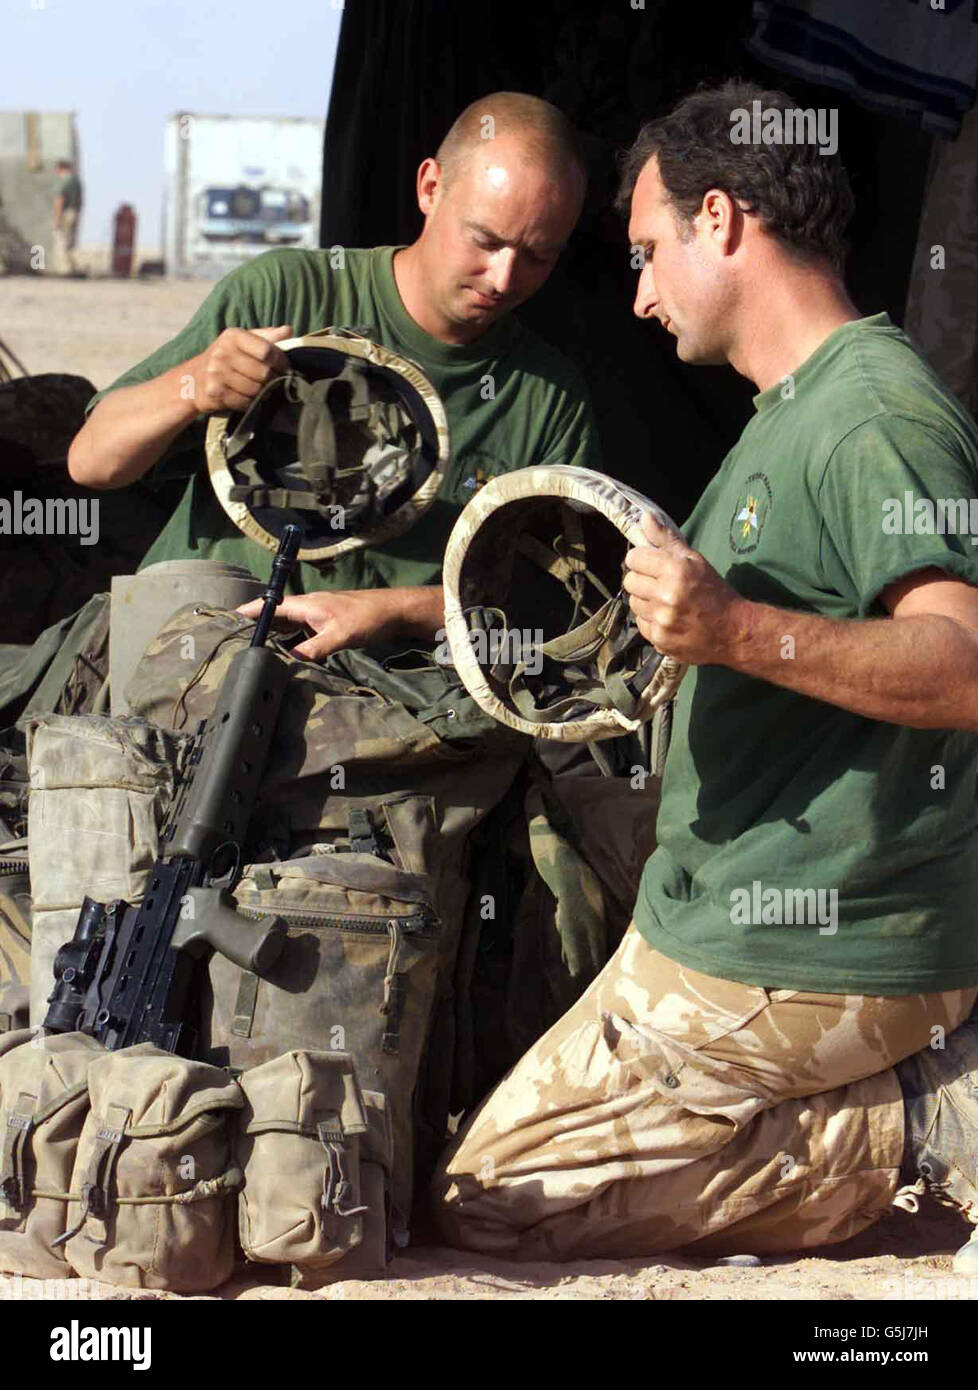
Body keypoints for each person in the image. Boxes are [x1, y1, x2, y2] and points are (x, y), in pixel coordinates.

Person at [431, 80, 978, 1261]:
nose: (634, 295)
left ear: (721, 219)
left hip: (812, 941)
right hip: (731, 894)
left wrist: (733, 632)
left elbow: (967, 664)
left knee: (495, 1195)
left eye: (646, 252)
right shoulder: (793, 406)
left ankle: (920, 1126)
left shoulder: (874, 417)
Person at [68, 93, 599, 661]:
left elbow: (550, 603)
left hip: (383, 712)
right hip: (185, 672)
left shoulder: (548, 399)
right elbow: (93, 462)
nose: (503, 276)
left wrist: (394, 610)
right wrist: (194, 385)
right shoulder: (286, 293)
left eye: (538, 255)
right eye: (486, 240)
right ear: (430, 187)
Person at [51, 159, 82, 276]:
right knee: (70, 240)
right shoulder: (76, 181)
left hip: (66, 213)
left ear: (61, 168)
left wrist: (56, 218)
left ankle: (64, 269)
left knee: (60, 239)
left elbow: (60, 201)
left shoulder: (65, 181)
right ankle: (72, 266)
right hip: (75, 212)